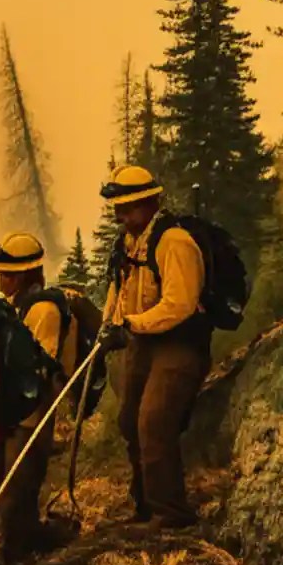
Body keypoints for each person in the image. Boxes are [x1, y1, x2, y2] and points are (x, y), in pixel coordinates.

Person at [97, 165, 210, 530]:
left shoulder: (174, 243)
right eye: (118, 208)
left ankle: (171, 512)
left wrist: (131, 325)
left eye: (127, 208)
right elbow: (119, 289)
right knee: (129, 420)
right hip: (143, 341)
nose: (120, 216)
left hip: (179, 344)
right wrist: (110, 325)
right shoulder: (128, 244)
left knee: (154, 421)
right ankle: (145, 505)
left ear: (149, 204)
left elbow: (179, 304)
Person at [0, 231, 80, 561]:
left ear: (24, 275)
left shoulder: (44, 310)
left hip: (33, 410)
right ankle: (24, 536)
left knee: (19, 478)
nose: (2, 280)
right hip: (15, 408)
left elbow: (40, 367)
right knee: (11, 473)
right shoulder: (17, 306)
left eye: (7, 274)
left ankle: (11, 548)